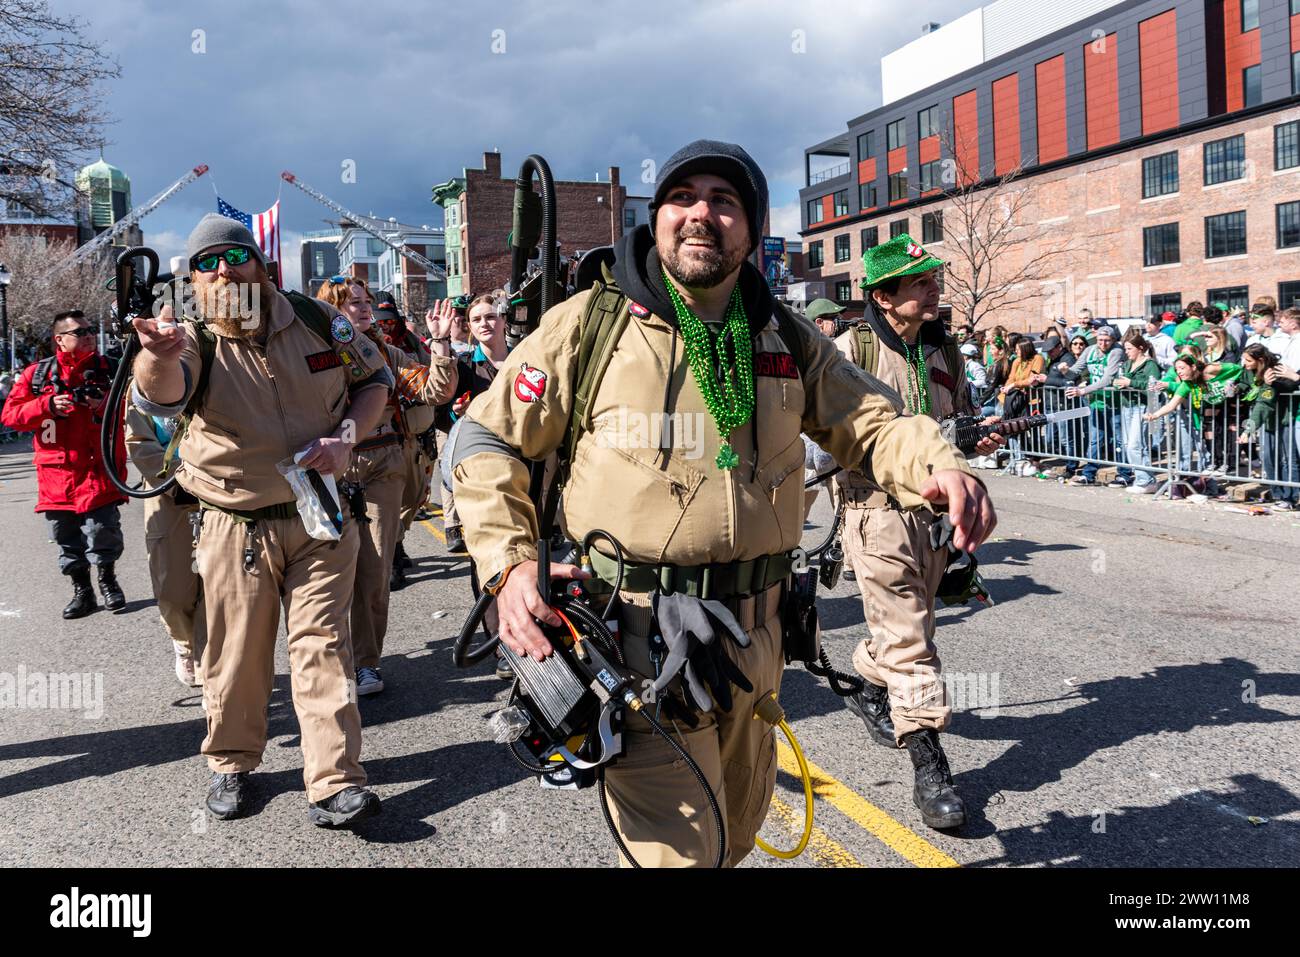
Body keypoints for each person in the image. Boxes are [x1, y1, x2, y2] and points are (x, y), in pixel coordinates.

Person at [448, 140, 995, 866]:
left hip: (757, 644)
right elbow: (484, 437)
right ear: (658, 216)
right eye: (684, 196)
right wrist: (509, 562)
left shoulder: (785, 334)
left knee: (734, 839)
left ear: (752, 230)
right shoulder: (590, 325)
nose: (702, 213)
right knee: (679, 855)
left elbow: (875, 421)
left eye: (725, 200)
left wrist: (937, 465)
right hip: (640, 645)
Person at [130, 214, 393, 826]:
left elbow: (375, 378)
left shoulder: (314, 318)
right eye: (206, 261)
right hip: (234, 523)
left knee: (324, 646)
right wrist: (157, 357)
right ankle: (232, 762)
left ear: (261, 262)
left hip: (320, 514)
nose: (223, 268)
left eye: (234, 255)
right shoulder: (191, 336)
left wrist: (346, 438)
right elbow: (162, 394)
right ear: (193, 280)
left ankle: (334, 780)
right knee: (237, 652)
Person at [832, 233, 1004, 832]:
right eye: (920, 282)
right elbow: (825, 437)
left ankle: (862, 675)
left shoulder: (943, 349)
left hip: (935, 517)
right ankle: (931, 767)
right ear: (884, 296)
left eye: (933, 279)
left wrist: (974, 440)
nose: (934, 289)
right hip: (874, 512)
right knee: (912, 641)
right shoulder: (848, 350)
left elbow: (958, 420)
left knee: (908, 627)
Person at [315, 277, 444, 696]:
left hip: (383, 466)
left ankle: (368, 663)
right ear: (333, 309)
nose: (365, 307)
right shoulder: (312, 353)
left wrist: (440, 348)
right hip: (327, 472)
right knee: (330, 575)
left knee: (374, 571)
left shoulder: (385, 353)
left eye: (366, 300)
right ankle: (333, 660)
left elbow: (430, 389)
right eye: (355, 302)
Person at [1, 308, 127, 618]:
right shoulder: (37, 375)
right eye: (80, 332)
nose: (88, 336)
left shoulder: (111, 368)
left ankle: (108, 581)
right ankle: (82, 591)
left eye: (89, 331)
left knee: (103, 531)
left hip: (100, 469)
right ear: (60, 339)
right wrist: (47, 405)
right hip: (56, 476)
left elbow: (139, 409)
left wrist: (105, 403)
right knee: (66, 538)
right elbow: (9, 416)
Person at [125, 406, 205, 685]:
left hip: (220, 488)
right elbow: (139, 443)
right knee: (173, 587)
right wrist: (178, 482)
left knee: (222, 586)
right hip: (168, 491)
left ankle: (214, 662)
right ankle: (184, 642)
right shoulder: (144, 383)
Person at [371, 290, 437, 592]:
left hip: (419, 435)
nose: (386, 327)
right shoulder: (370, 348)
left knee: (415, 498)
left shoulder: (412, 345)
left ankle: (397, 539)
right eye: (380, 322)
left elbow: (433, 380)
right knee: (393, 501)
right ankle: (393, 555)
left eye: (390, 321)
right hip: (391, 436)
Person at [1065, 324, 1130, 487]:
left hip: (1116, 403)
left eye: (1107, 340)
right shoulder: (1090, 350)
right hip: (1097, 402)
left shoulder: (1116, 351)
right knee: (1095, 440)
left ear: (1113, 340)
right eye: (1100, 340)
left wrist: (1083, 391)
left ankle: (1125, 474)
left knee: (1120, 440)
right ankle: (1089, 474)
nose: (1103, 344)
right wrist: (1064, 371)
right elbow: (1076, 369)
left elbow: (1107, 379)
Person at [1238, 343, 1298, 510]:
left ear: (1261, 360)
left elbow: (1264, 403)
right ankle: (1277, 493)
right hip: (1268, 421)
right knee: (1268, 457)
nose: (1245, 363)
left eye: (1248, 360)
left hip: (1284, 420)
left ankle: (1290, 497)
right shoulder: (1251, 372)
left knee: (1287, 459)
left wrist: (1248, 430)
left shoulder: (1274, 372)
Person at [1112, 331, 1160, 494]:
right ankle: (1144, 478)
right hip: (1126, 406)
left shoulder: (1150, 364)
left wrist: (1130, 382)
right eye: (1125, 349)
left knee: (1135, 445)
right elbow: (1118, 378)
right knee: (1128, 445)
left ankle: (1145, 480)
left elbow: (1153, 385)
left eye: (1129, 348)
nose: (1126, 352)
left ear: (1140, 348)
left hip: (1142, 406)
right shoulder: (1126, 364)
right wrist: (1118, 383)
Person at [1001, 338, 1045, 470]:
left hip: (1033, 400)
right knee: (1020, 428)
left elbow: (1032, 379)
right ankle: (1025, 456)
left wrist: (1015, 385)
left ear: (1026, 349)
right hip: (1017, 399)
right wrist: (1007, 388)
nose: (1016, 351)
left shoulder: (1038, 358)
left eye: (1018, 349)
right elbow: (1011, 378)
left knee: (1035, 428)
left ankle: (1036, 459)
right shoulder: (1016, 361)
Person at [960, 342, 986, 407]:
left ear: (965, 356)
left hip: (980, 400)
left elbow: (983, 381)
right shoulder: (966, 365)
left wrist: (967, 383)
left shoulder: (974, 366)